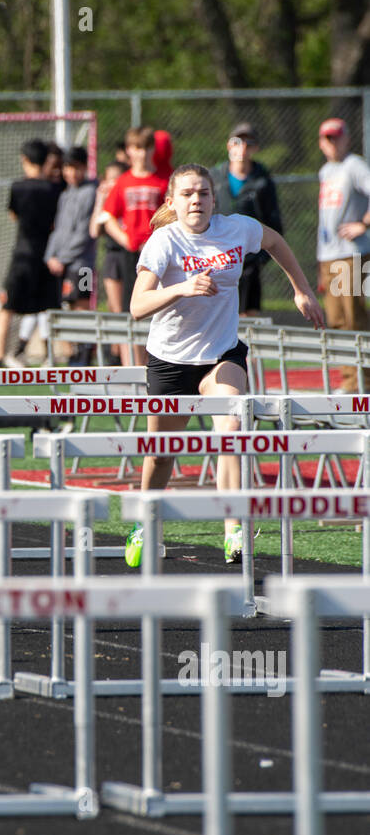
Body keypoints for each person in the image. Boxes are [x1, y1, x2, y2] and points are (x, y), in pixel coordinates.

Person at [123, 164, 323, 567]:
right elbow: (136, 306)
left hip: (221, 354)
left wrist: (302, 290)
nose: (196, 200)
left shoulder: (236, 228)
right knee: (162, 455)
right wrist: (182, 286)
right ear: (172, 202)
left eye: (203, 194)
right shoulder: (164, 241)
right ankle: (145, 522)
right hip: (171, 360)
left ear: (214, 199)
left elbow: (275, 241)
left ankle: (234, 527)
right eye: (187, 194)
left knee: (232, 427)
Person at [100, 126, 169, 364]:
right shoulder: (123, 181)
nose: (141, 154)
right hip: (132, 255)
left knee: (159, 309)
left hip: (158, 253)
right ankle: (134, 368)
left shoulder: (163, 179)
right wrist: (125, 239)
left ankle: (156, 364)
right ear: (129, 151)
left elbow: (171, 215)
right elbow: (108, 216)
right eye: (136, 148)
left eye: (146, 148)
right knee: (134, 310)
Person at [0, 139, 62, 367]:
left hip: (22, 254)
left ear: (25, 160)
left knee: (7, 307)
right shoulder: (56, 189)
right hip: (48, 256)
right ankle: (53, 355)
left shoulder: (18, 187)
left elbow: (14, 215)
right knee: (49, 308)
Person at [316, 117, 370, 393]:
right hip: (330, 256)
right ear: (321, 142)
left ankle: (363, 382)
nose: (332, 142)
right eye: (327, 138)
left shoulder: (355, 165)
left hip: (352, 256)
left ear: (347, 138)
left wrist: (364, 223)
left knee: (353, 318)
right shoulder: (326, 170)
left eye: (336, 137)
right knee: (337, 320)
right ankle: (351, 380)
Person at [210, 122, 283, 316]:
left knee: (249, 315)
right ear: (228, 145)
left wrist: (260, 258)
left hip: (249, 261)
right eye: (237, 142)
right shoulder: (215, 178)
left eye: (248, 143)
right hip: (218, 260)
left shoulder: (262, 180)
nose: (242, 148)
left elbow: (273, 221)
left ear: (256, 148)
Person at [45, 146, 98, 362]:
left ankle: (87, 352)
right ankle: (74, 351)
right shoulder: (65, 194)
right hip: (63, 264)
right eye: (67, 168)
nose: (71, 173)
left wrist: (63, 258)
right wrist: (50, 256)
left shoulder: (90, 192)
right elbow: (58, 230)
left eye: (76, 168)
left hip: (82, 265)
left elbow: (84, 233)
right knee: (67, 306)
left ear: (85, 168)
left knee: (82, 306)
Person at [89, 160, 127, 320]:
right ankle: (117, 346)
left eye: (117, 179)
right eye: (109, 179)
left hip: (131, 256)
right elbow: (94, 231)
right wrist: (100, 199)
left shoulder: (128, 203)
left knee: (128, 308)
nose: (112, 183)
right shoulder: (106, 205)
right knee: (116, 310)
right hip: (113, 257)